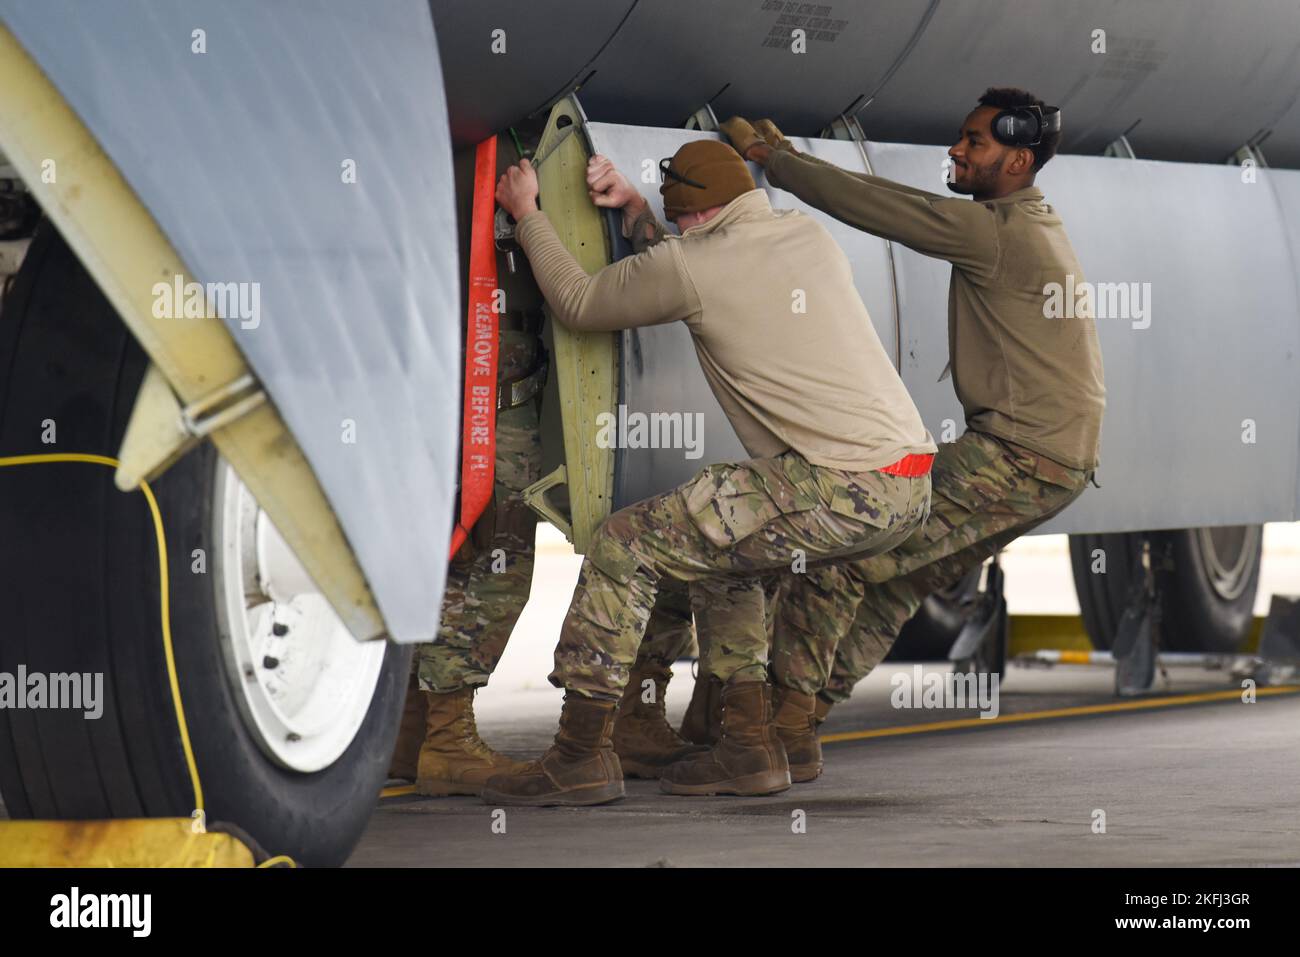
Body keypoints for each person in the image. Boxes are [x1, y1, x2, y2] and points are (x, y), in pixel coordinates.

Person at [481, 139, 935, 806]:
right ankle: (746, 750)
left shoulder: (692, 262)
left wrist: (528, 214)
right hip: (907, 484)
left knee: (623, 544)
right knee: (727, 552)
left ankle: (578, 756)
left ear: (691, 220)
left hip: (841, 485)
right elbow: (709, 258)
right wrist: (639, 209)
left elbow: (579, 302)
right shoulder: (804, 234)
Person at [719, 87, 1105, 774]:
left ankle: (775, 731)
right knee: (894, 582)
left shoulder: (994, 230)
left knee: (847, 546)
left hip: (1018, 457)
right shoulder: (1034, 221)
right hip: (1055, 464)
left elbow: (882, 207)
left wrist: (776, 161)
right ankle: (800, 728)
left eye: (975, 142)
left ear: (1017, 161)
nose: (955, 150)